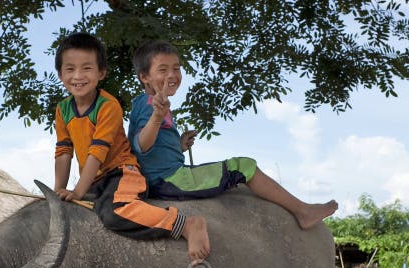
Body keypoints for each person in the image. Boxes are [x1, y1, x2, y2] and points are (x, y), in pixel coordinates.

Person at [128, 40, 338, 230]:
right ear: (144, 77)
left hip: (161, 176)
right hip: (168, 180)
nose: (172, 75)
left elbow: (153, 147)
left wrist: (179, 145)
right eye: (163, 70)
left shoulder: (146, 103)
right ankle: (303, 211)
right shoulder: (151, 106)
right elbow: (141, 145)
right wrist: (156, 117)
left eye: (176, 68)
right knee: (243, 165)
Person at [52, 32, 210, 263]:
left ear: (101, 72)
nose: (78, 76)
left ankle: (185, 224)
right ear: (60, 74)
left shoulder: (108, 106)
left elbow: (97, 152)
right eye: (70, 69)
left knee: (114, 213)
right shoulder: (63, 109)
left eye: (86, 68)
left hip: (122, 172)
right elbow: (63, 151)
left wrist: (76, 192)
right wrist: (58, 190)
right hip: (96, 179)